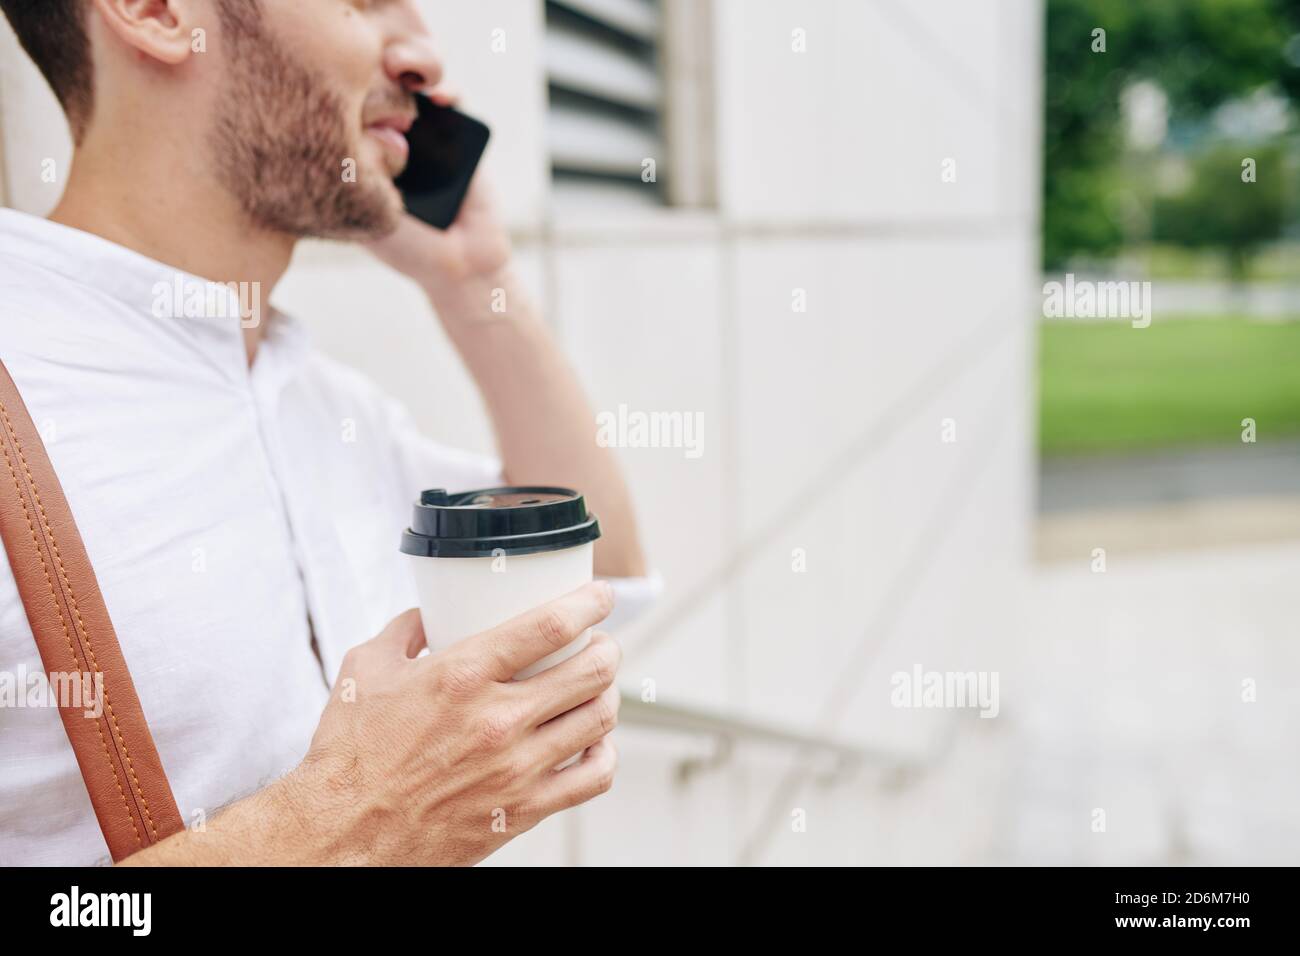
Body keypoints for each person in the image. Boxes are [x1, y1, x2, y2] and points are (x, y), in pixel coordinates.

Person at [0, 0, 657, 866]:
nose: (425, 54)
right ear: (156, 12)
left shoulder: (320, 400)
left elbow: (590, 573)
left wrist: (476, 282)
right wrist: (356, 820)